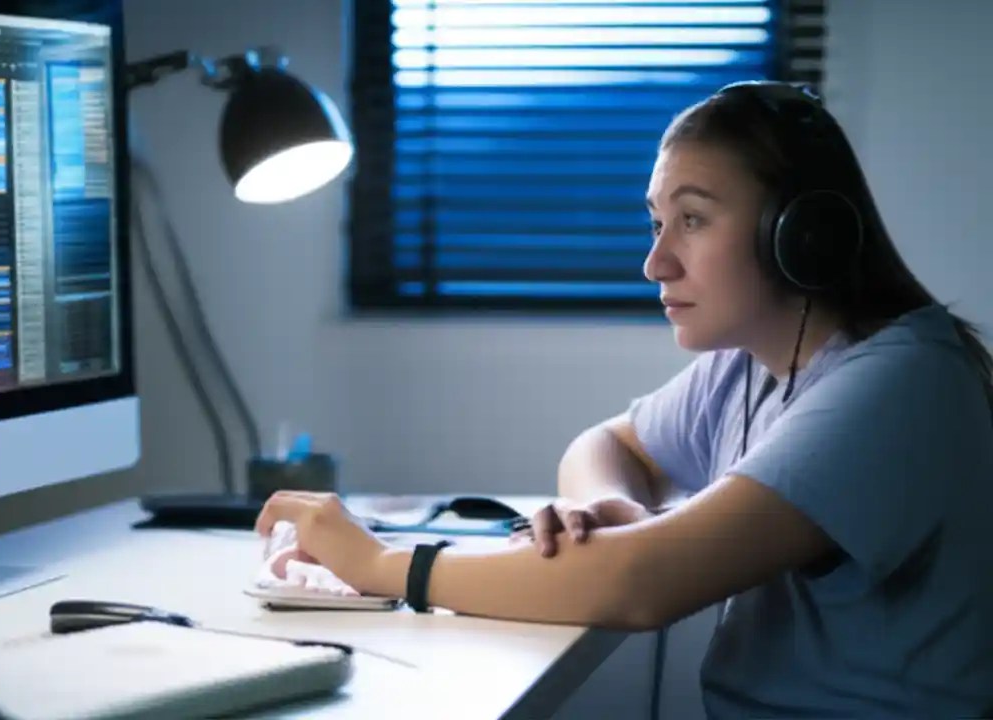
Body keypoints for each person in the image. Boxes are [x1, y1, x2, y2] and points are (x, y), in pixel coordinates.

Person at [253, 81, 993, 718]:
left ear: (801, 235)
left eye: (693, 220)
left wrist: (381, 564)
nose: (655, 262)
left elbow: (641, 583)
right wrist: (608, 505)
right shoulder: (749, 366)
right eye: (656, 223)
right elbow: (609, 445)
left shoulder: (903, 384)